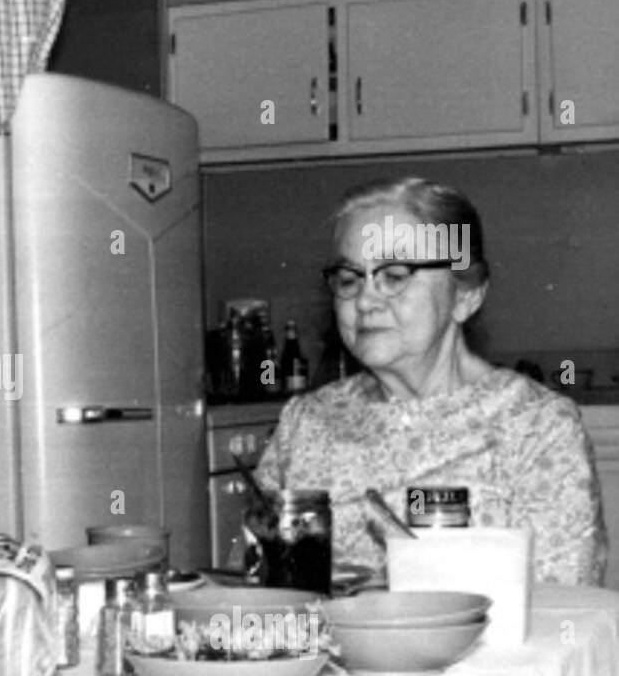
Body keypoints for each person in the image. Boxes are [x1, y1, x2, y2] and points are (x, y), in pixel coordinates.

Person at [255, 177, 607, 586]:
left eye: (396, 275)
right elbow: (258, 594)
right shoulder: (306, 423)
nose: (365, 300)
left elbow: (565, 608)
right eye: (350, 279)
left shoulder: (535, 427)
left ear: (465, 295)